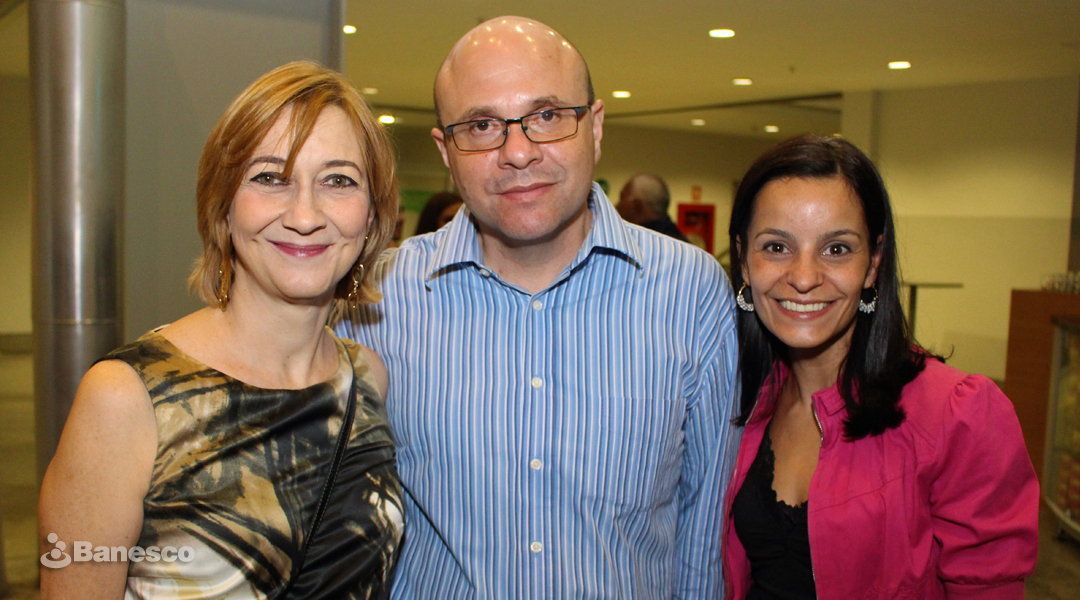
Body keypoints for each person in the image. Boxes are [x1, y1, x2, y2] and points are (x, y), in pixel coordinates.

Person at [334, 16, 740, 599]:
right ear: (446, 150)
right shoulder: (375, 298)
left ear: (594, 128)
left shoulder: (691, 291)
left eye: (547, 116)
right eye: (481, 125)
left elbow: (702, 539)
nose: (518, 152)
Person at [39, 61, 404, 599]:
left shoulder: (367, 377)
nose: (305, 214)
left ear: (372, 217)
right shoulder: (128, 398)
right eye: (269, 178)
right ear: (223, 208)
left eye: (338, 180)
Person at [721, 134, 1039, 599]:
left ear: (873, 264)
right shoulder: (743, 398)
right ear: (744, 261)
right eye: (776, 247)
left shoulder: (957, 414)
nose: (804, 277)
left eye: (836, 249)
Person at [616, 172, 688, 242]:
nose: (617, 206)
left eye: (622, 198)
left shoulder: (635, 245)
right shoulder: (682, 246)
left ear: (637, 205)